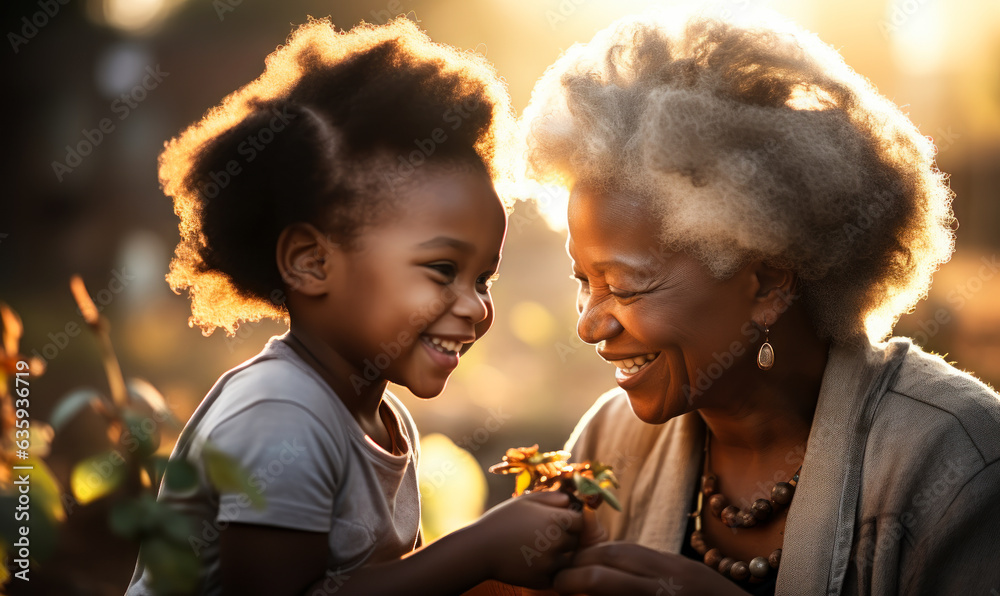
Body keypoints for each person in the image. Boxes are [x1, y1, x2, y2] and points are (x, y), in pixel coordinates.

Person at [520, 11, 1000, 596]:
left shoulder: (954, 459)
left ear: (769, 283)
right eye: (583, 281)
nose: (590, 326)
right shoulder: (610, 444)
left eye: (623, 287)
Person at [126, 17, 587, 596]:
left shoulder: (387, 422)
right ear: (311, 261)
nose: (474, 307)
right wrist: (478, 550)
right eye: (443, 270)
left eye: (484, 278)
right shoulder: (281, 414)